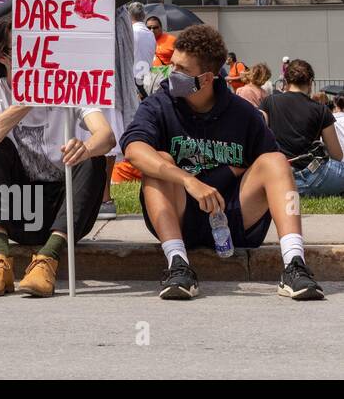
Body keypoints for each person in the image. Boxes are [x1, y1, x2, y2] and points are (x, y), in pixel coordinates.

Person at [122, 24, 324, 301]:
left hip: (233, 216)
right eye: (171, 64)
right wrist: (188, 180)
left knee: (276, 161)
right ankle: (178, 265)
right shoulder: (159, 105)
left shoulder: (244, 114)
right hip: (179, 214)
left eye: (181, 69)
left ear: (206, 78)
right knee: (159, 160)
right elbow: (134, 150)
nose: (171, 74)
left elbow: (268, 169)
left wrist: (229, 174)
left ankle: (294, 265)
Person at [0, 19, 118, 297]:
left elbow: (106, 136)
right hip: (19, 208)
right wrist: (25, 102)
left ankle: (48, 257)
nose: (38, 55)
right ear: (3, 56)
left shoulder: (69, 84)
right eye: (26, 48)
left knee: (93, 156)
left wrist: (84, 148)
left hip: (65, 209)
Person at [53, 0, 139, 220]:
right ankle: (100, 194)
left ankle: (101, 196)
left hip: (95, 28)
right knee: (107, 105)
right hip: (111, 24)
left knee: (100, 107)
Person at [261, 60, 344, 198]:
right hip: (315, 175)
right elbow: (337, 154)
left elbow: (258, 134)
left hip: (280, 176)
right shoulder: (321, 110)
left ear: (286, 82)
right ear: (311, 82)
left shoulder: (269, 102)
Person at [128, 2, 156, 97]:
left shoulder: (131, 32)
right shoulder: (151, 34)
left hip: (134, 79)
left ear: (129, 15)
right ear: (144, 16)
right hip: (147, 78)